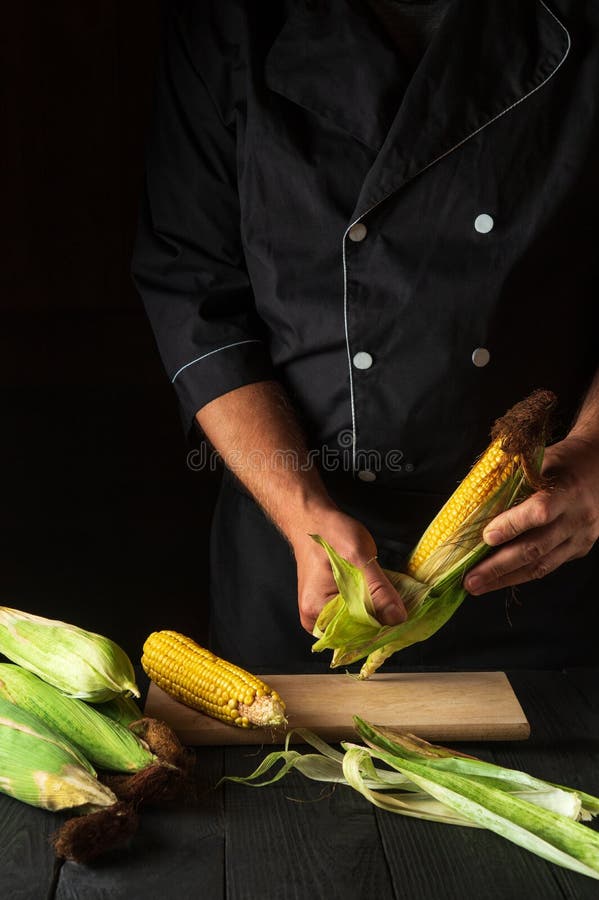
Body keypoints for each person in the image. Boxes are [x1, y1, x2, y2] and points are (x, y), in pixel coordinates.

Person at [131, 0, 599, 673]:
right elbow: (192, 288)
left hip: (546, 552)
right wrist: (301, 513)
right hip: (299, 554)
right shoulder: (224, 19)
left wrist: (593, 458)